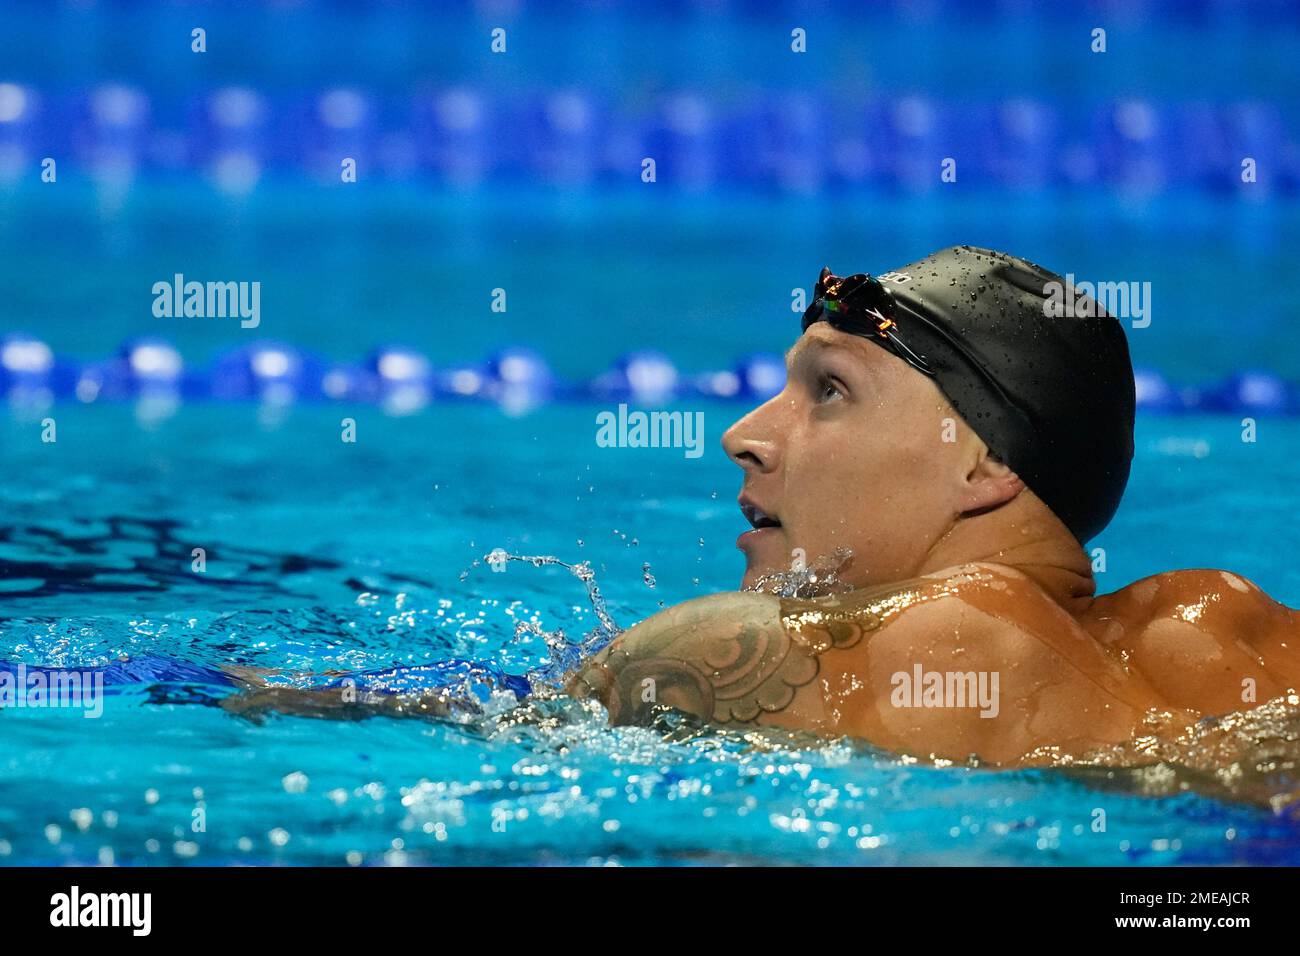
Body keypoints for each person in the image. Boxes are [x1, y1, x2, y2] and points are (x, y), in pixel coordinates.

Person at [562, 245, 1300, 765]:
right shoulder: (1228, 623)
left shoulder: (939, 638)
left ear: (985, 462)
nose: (742, 436)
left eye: (829, 390)